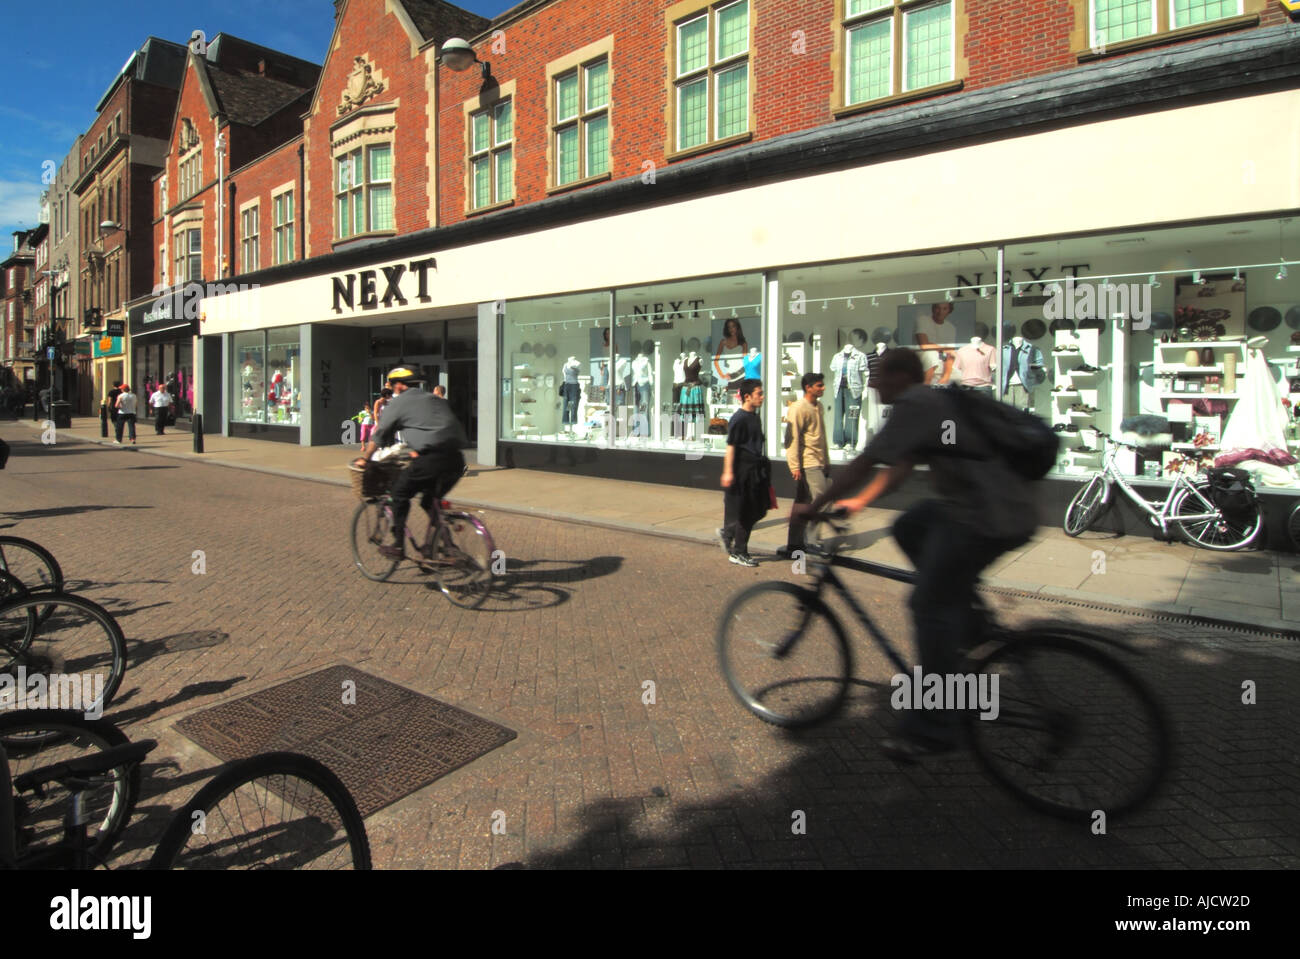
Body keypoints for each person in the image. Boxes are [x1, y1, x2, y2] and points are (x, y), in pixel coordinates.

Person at [798, 348, 1038, 760]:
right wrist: (858, 504)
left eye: (879, 378)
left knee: (928, 604)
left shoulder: (917, 401)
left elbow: (865, 462)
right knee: (910, 525)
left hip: (985, 516)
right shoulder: (933, 401)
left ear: (900, 377)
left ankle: (933, 727)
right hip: (997, 507)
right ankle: (971, 617)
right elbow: (899, 467)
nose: (871, 386)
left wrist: (813, 506)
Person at [353, 368, 470, 558]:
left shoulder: (399, 403)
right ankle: (446, 547)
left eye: (392, 386)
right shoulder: (433, 399)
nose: (392, 390)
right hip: (456, 460)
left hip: (431, 459)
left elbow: (380, 434)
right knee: (429, 501)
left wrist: (365, 458)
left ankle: (398, 546)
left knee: (398, 494)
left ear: (399, 385)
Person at [716, 379, 769, 567]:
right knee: (747, 512)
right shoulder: (739, 419)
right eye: (759, 394)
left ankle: (728, 532)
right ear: (747, 397)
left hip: (755, 470)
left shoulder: (755, 416)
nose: (762, 397)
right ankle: (739, 552)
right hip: (742, 471)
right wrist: (728, 472)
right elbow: (731, 447)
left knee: (759, 510)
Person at [779, 372, 830, 559]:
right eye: (819, 385)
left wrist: (827, 462)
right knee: (822, 501)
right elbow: (791, 439)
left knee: (802, 504)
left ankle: (794, 544)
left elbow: (821, 437)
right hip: (808, 463)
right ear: (808, 388)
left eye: (822, 385)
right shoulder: (798, 408)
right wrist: (794, 466)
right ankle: (811, 541)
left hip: (819, 461)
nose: (822, 388)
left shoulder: (819, 406)